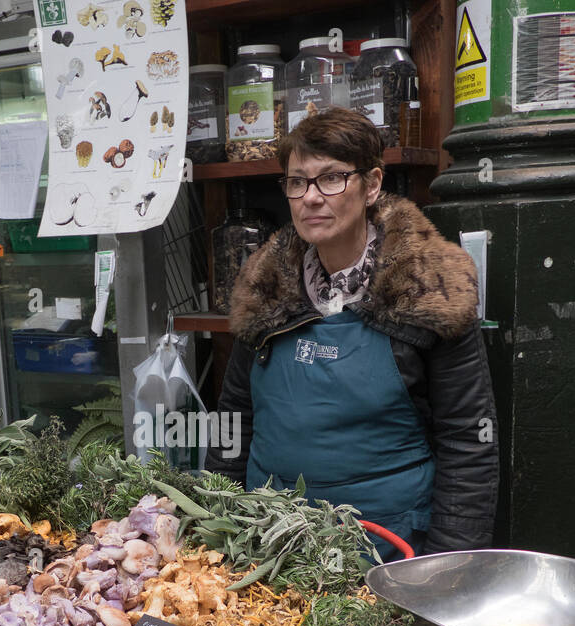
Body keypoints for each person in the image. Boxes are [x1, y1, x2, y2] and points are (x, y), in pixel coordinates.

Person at [203, 108, 498, 558]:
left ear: (372, 185)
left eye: (332, 178)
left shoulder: (431, 290)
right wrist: (216, 529)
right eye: (297, 182)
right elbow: (233, 418)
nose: (311, 198)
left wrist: (446, 570)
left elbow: (469, 442)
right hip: (269, 545)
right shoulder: (264, 289)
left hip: (387, 549)